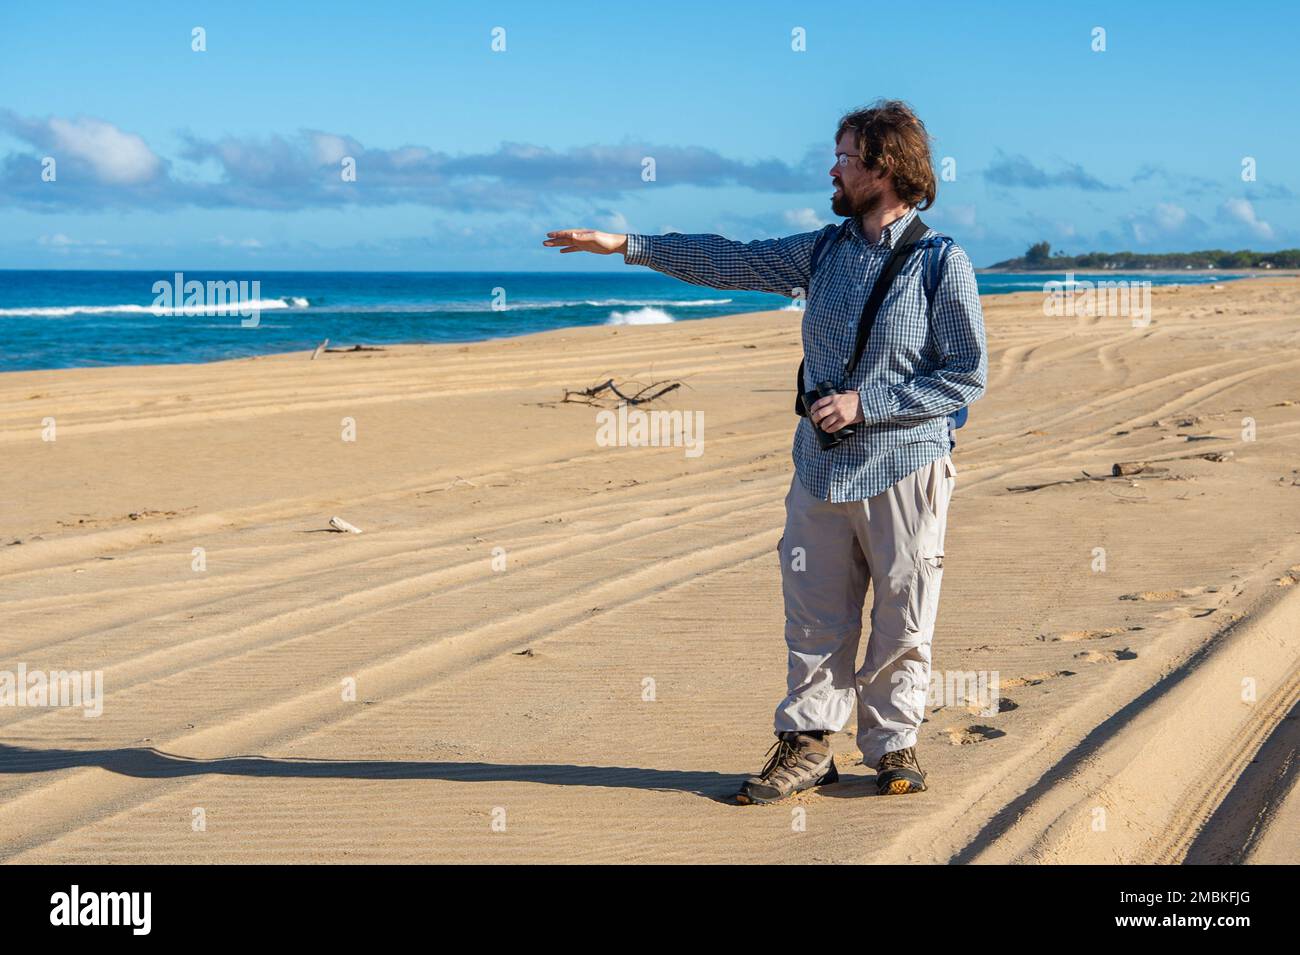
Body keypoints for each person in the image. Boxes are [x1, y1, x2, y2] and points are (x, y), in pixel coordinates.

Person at [543, 99, 987, 802]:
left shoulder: (940, 263)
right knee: (814, 613)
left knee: (904, 613)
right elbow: (731, 260)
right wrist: (626, 245)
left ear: (886, 167)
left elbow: (965, 374)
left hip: (906, 467)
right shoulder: (823, 250)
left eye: (845, 156)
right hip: (819, 463)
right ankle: (809, 742)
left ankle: (894, 744)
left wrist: (867, 403)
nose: (833, 168)